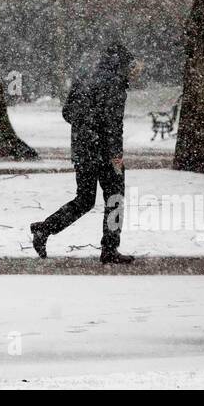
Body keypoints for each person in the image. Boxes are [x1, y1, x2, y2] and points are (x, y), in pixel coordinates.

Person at [30, 41, 141, 263]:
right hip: (106, 153)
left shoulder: (84, 79)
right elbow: (112, 124)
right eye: (130, 66)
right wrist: (115, 155)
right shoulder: (115, 85)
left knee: (84, 199)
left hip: (83, 151)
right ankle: (110, 249)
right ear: (121, 64)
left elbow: (67, 113)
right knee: (115, 198)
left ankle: (44, 229)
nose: (132, 71)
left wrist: (85, 128)